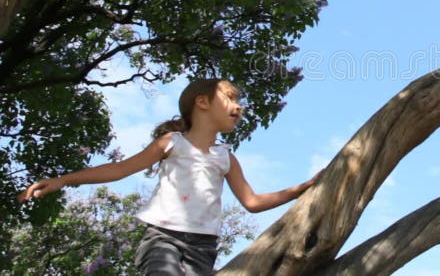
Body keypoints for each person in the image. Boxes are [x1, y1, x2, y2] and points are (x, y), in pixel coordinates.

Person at [18, 78, 318, 275]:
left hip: (204, 247)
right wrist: (62, 180)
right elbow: (119, 168)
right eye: (229, 97)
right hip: (164, 237)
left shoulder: (226, 157)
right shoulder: (172, 143)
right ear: (202, 102)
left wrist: (299, 189)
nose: (238, 105)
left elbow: (252, 201)